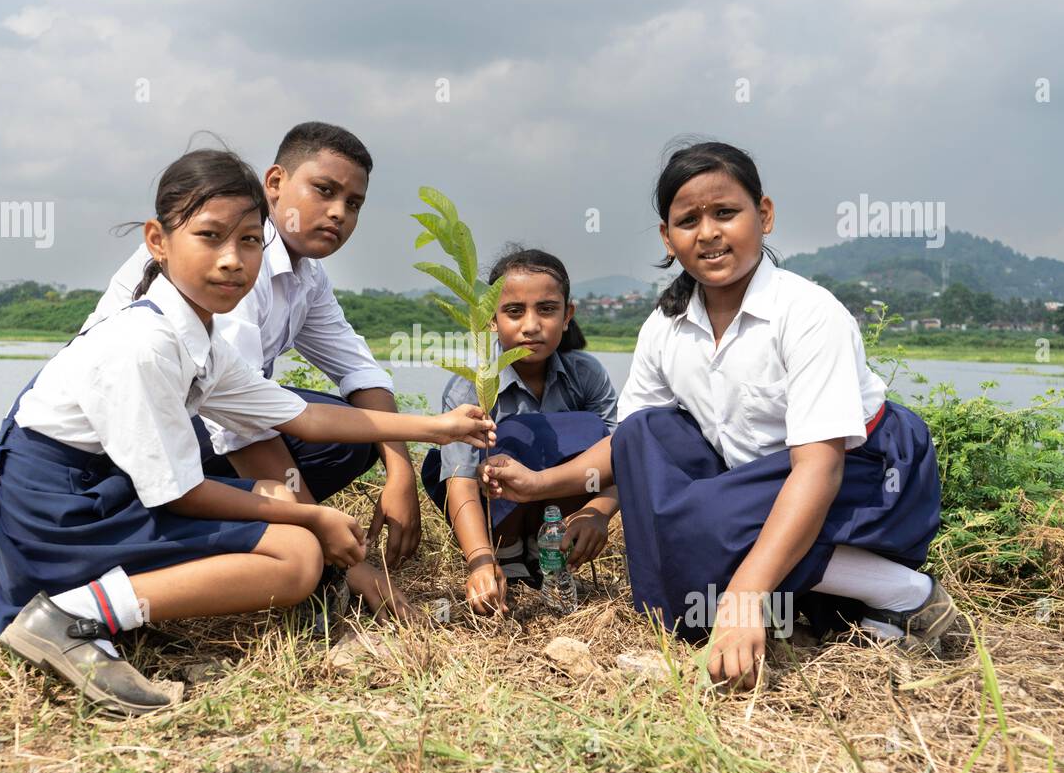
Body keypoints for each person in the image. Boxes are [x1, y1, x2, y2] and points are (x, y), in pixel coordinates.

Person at [0, 147, 494, 715]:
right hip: (59, 508)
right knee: (296, 554)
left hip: (101, 487)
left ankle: (103, 602)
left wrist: (435, 428)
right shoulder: (144, 345)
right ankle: (74, 617)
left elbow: (303, 416)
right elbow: (180, 491)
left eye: (248, 241)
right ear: (157, 240)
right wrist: (312, 516)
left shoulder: (197, 333)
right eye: (210, 237)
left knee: (286, 520)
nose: (232, 260)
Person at [481, 141, 965, 689]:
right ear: (668, 237)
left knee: (701, 527)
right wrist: (539, 483)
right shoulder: (664, 329)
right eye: (688, 220)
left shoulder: (806, 314)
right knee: (645, 439)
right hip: (757, 480)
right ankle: (777, 596)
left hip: (867, 475)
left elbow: (818, 468)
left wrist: (743, 598)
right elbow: (628, 444)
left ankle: (905, 594)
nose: (708, 233)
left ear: (765, 215)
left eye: (725, 213)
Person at [85, 123, 419, 619]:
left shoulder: (305, 275)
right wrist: (338, 552)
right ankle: (190, 532)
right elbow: (240, 424)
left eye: (353, 204)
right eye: (324, 190)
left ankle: (232, 530)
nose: (338, 213)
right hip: (116, 441)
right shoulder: (236, 257)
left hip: (193, 422)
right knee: (298, 439)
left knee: (344, 430)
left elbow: (359, 371)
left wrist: (401, 471)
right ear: (276, 182)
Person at [421, 246, 618, 614]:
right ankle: (506, 548)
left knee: (592, 432)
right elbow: (460, 478)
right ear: (491, 320)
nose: (531, 325)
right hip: (491, 508)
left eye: (546, 309)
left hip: (553, 509)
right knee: (506, 436)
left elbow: (621, 456)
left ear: (567, 315)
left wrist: (599, 511)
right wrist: (480, 559)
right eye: (514, 312)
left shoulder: (585, 374)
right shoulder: (473, 385)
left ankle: (542, 547)